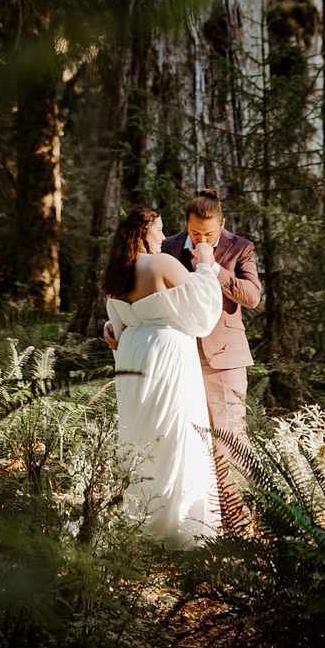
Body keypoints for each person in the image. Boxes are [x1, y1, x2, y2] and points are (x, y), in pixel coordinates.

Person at [103, 206, 223, 546]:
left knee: (141, 432)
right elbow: (202, 308)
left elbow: (117, 321)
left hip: (132, 353)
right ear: (144, 233)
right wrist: (204, 261)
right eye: (159, 230)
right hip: (166, 352)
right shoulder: (161, 264)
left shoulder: (117, 272)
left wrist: (111, 329)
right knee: (177, 432)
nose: (162, 236)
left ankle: (140, 519)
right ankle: (178, 529)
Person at [162, 188, 260, 533]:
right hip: (181, 357)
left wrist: (214, 268)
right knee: (191, 441)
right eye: (194, 232)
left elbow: (252, 296)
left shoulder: (240, 248)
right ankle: (211, 521)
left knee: (229, 438)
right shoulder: (169, 247)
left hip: (224, 360)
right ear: (186, 225)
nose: (201, 238)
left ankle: (246, 520)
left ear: (222, 224)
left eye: (208, 233)